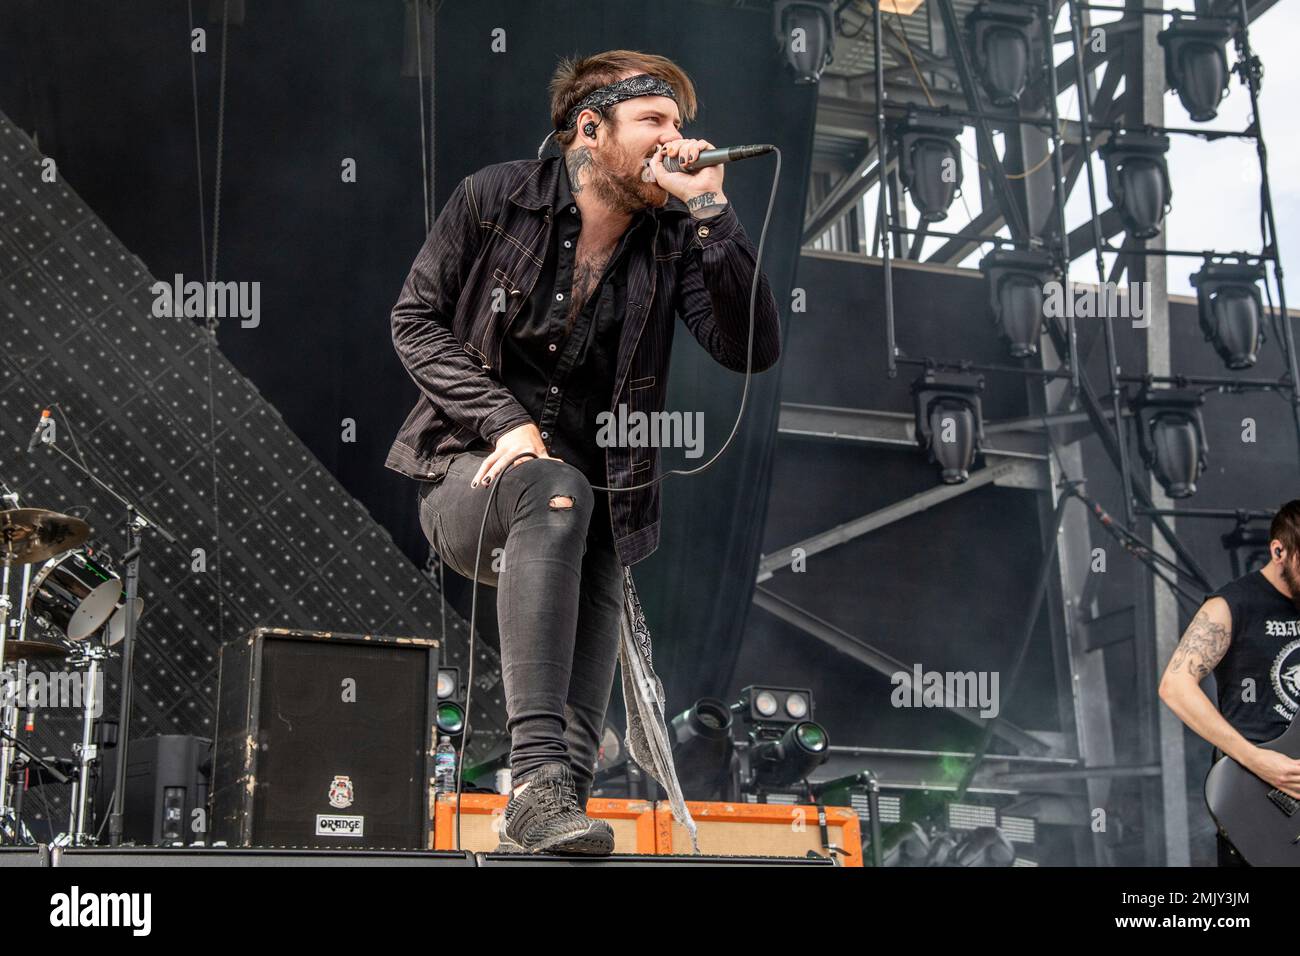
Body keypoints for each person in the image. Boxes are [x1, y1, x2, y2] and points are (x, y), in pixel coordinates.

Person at [385, 50, 780, 855]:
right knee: (556, 489)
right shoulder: (495, 197)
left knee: (586, 522)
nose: (678, 141)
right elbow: (414, 321)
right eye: (656, 123)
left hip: (590, 506)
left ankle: (550, 806)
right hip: (469, 472)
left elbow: (752, 347)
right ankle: (529, 777)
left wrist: (712, 212)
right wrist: (505, 420)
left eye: (680, 125)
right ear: (590, 130)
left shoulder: (673, 236)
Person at [1158, 499, 1300, 866]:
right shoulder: (1232, 605)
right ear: (1279, 550)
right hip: (1261, 800)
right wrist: (1255, 759)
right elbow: (1175, 686)